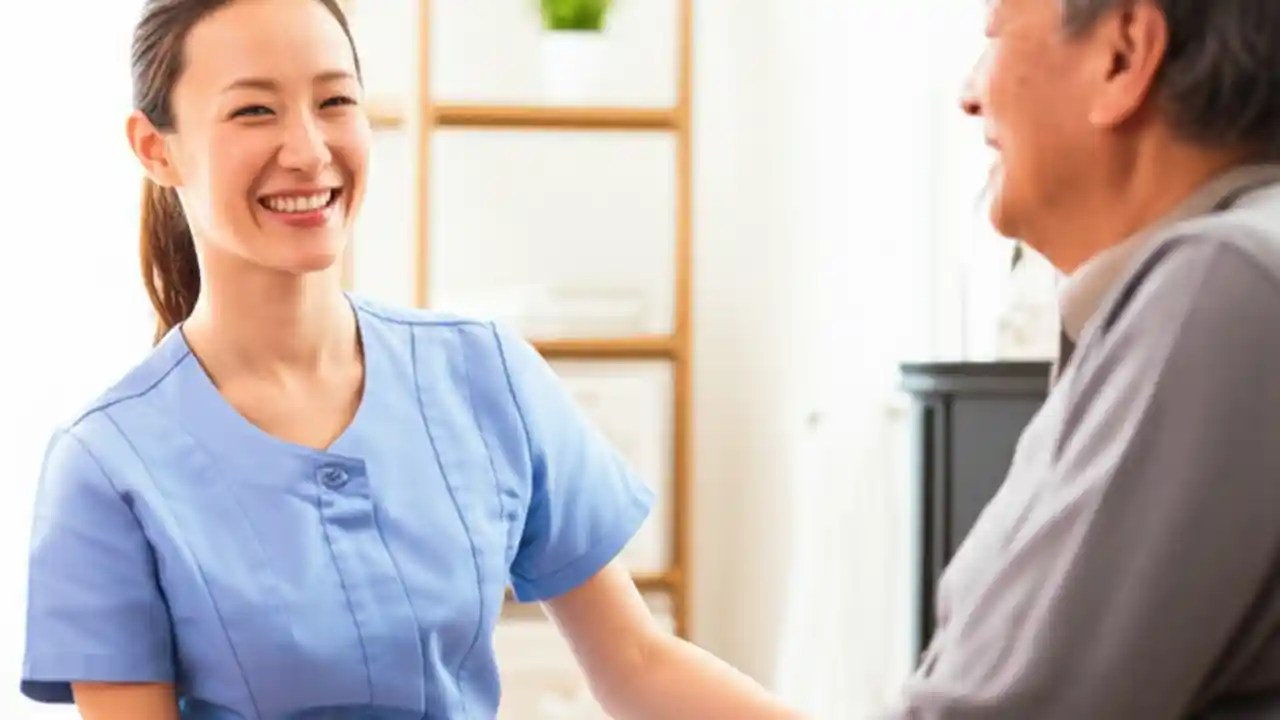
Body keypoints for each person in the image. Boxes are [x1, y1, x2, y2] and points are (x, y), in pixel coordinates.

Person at [18, 1, 802, 718]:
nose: (309, 148)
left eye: (335, 101)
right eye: (255, 109)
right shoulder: (107, 467)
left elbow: (638, 663)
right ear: (156, 149)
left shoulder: (482, 374)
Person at [887, 0, 1280, 718]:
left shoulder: (1221, 285)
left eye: (994, 39)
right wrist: (632, 651)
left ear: (1123, 54)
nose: (970, 93)